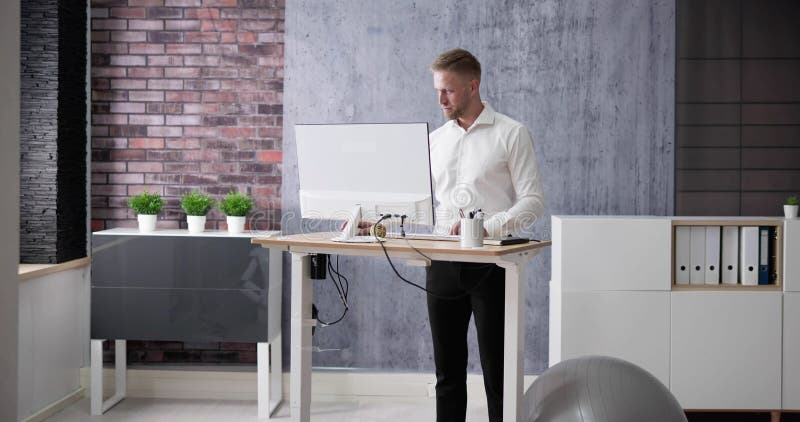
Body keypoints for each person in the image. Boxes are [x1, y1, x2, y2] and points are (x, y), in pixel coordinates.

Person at [426, 48, 545, 422]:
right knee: (446, 375)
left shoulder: (511, 133)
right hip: (441, 262)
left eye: (448, 90)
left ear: (473, 86)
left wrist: (487, 226)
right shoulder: (435, 139)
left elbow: (533, 202)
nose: (441, 99)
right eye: (437, 91)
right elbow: (422, 203)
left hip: (492, 266)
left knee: (498, 374)